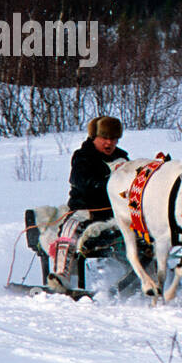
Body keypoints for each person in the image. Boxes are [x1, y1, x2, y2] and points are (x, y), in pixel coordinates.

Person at [47, 116, 130, 291]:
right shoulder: (83, 157)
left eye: (113, 139)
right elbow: (82, 182)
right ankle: (61, 275)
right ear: (95, 138)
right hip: (86, 210)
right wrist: (109, 182)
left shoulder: (122, 158)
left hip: (114, 213)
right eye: (105, 138)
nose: (109, 143)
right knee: (70, 229)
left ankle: (140, 275)